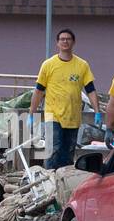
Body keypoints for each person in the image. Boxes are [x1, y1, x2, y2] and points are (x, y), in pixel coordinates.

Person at [30, 28, 100, 170]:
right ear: (57, 43)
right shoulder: (48, 65)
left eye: (68, 39)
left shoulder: (82, 65)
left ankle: (63, 180)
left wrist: (97, 111)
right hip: (53, 115)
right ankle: (49, 180)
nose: (65, 41)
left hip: (73, 116)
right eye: (62, 39)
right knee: (53, 149)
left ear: (73, 42)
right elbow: (38, 90)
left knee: (68, 153)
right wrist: (32, 112)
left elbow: (90, 90)